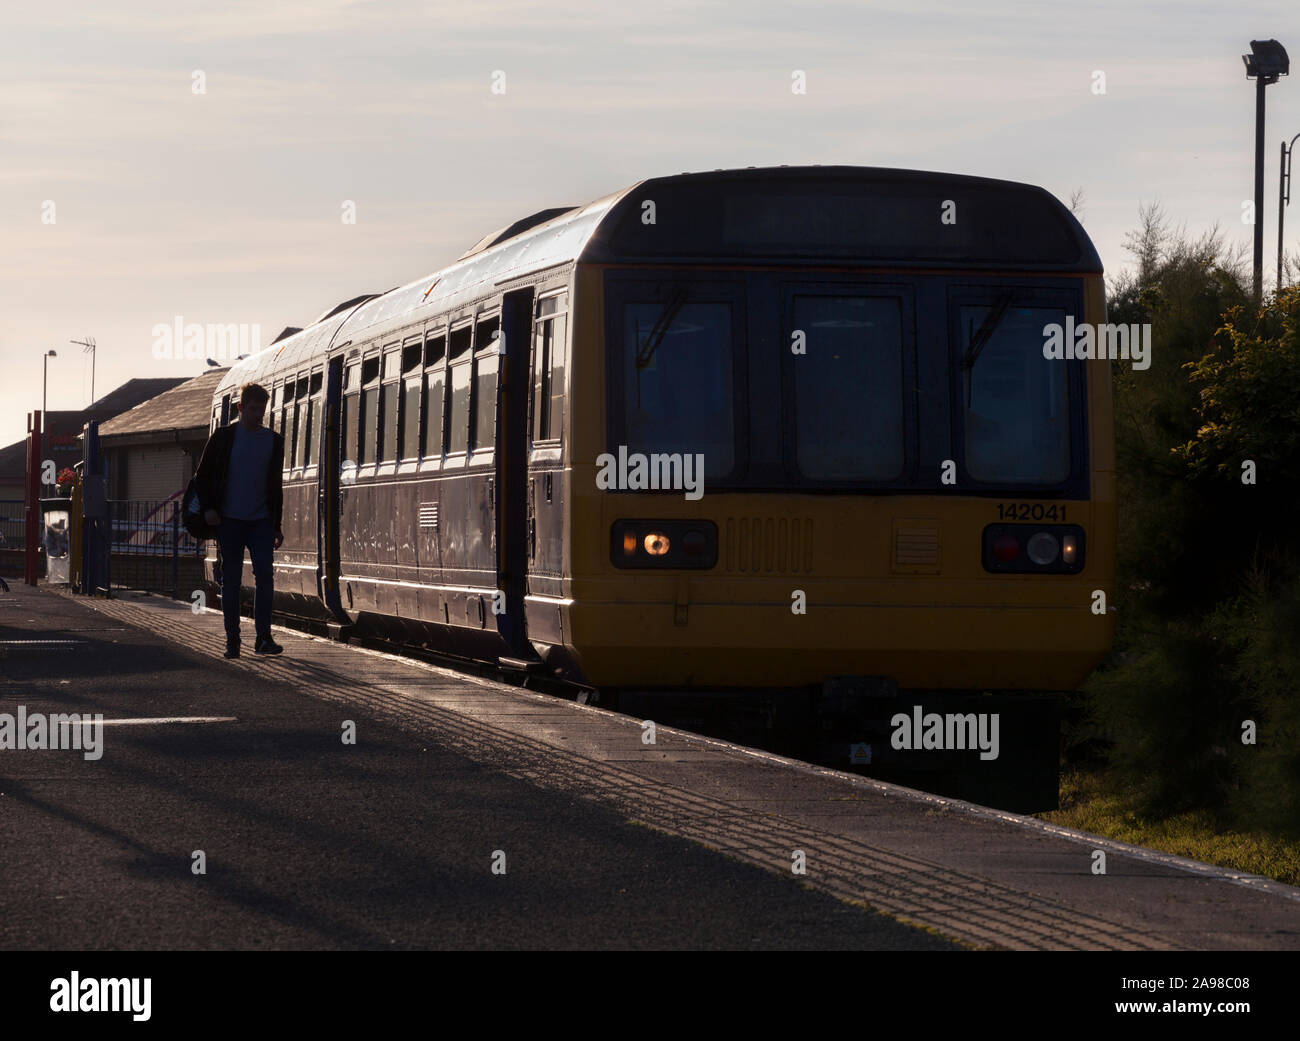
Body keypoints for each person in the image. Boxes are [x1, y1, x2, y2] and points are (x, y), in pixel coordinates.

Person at [193, 383, 285, 658]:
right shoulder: (223, 438)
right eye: (253, 409)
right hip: (229, 520)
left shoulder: (273, 441)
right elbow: (203, 477)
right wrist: (209, 508)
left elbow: (275, 486)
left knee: (265, 578)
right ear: (240, 408)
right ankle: (233, 641)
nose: (258, 415)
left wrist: (276, 524)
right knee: (231, 580)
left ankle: (263, 638)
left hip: (261, 521)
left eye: (262, 410)